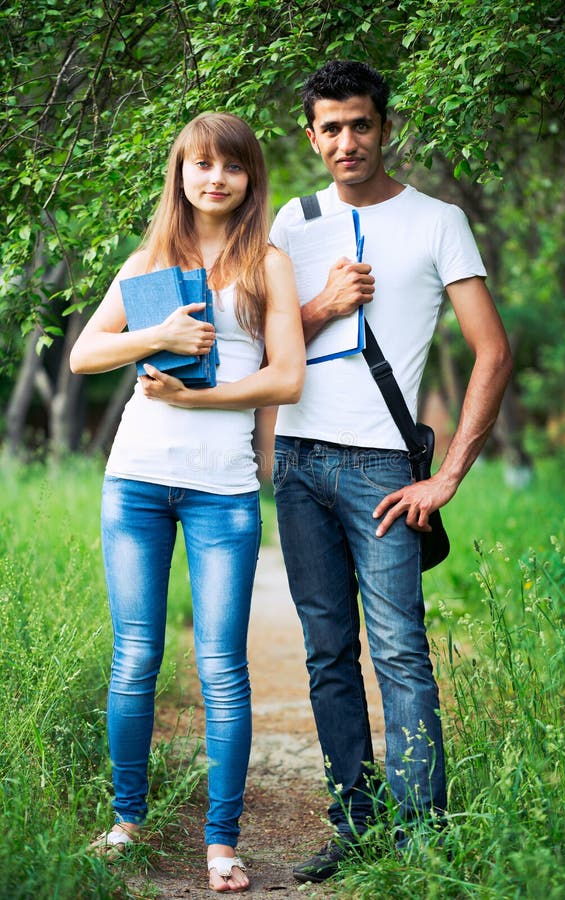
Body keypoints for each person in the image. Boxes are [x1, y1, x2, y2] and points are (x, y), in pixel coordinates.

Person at [268, 60, 513, 883]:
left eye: (360, 124)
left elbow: (494, 352)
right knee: (327, 653)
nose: (347, 141)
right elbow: (264, 344)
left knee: (401, 652)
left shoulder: (438, 220)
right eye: (330, 128)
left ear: (386, 127)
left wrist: (446, 477)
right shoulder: (291, 222)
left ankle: (421, 840)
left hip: (383, 470)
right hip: (297, 464)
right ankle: (358, 827)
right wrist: (323, 307)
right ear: (312, 136)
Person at [70, 111, 305, 893]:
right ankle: (127, 822)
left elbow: (286, 378)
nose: (215, 178)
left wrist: (198, 399)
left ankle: (220, 843)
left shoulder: (268, 263)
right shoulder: (150, 260)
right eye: (201, 164)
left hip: (224, 490)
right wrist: (156, 335)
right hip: (135, 478)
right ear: (180, 173)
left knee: (221, 669)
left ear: (249, 179)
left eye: (231, 167)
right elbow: (84, 355)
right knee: (136, 659)